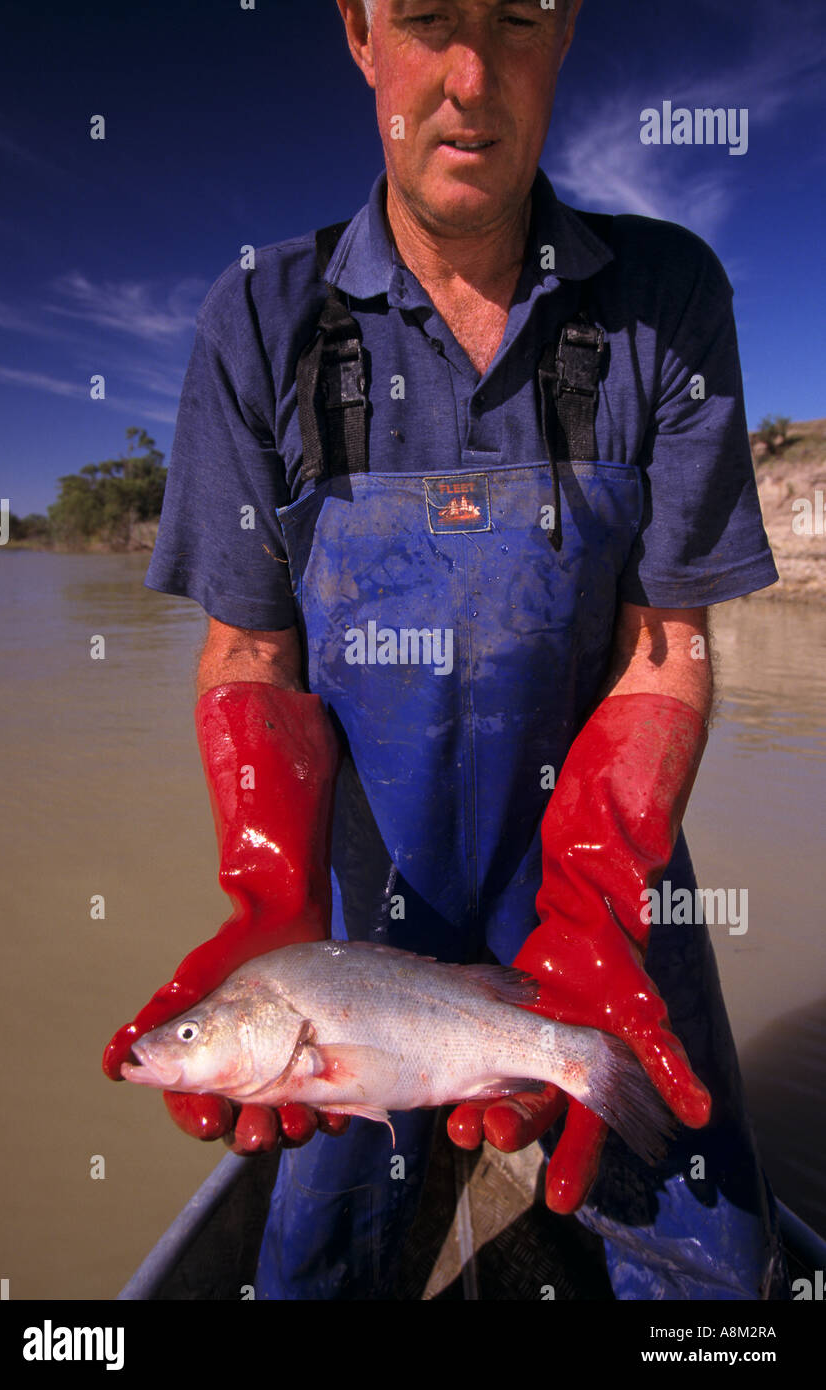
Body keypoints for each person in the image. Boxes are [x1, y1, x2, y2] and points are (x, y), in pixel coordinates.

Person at [104, 0, 788, 1299]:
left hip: (601, 872)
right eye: (426, 19)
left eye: (516, 18)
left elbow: (663, 640)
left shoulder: (665, 296)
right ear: (359, 33)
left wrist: (594, 894)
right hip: (353, 898)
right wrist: (267, 902)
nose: (470, 76)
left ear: (567, 29)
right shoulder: (258, 319)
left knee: (703, 1259)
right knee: (316, 1243)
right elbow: (250, 651)